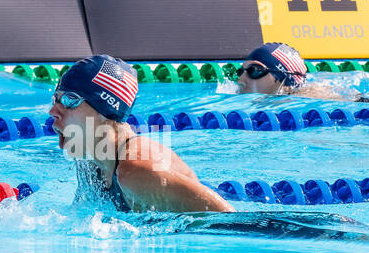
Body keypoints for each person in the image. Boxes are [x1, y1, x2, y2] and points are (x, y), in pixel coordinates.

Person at [50, 55, 233, 213]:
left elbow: (230, 221)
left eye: (69, 100)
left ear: (106, 110)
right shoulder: (88, 162)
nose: (52, 112)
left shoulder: (138, 171)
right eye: (55, 99)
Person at [236, 42, 369, 107]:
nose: (241, 79)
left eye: (254, 71)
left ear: (284, 79)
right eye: (241, 71)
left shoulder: (310, 97)